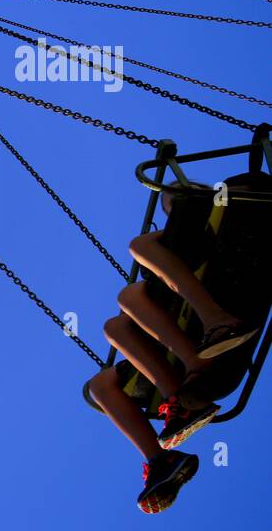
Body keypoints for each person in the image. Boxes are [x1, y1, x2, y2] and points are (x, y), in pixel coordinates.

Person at [87, 193, 261, 514]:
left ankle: (213, 328)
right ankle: (162, 457)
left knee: (130, 291)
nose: (167, 211)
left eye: (168, 206)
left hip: (202, 294)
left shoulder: (201, 215)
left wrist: (172, 209)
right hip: (187, 300)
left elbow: (153, 243)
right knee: (103, 374)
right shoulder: (189, 231)